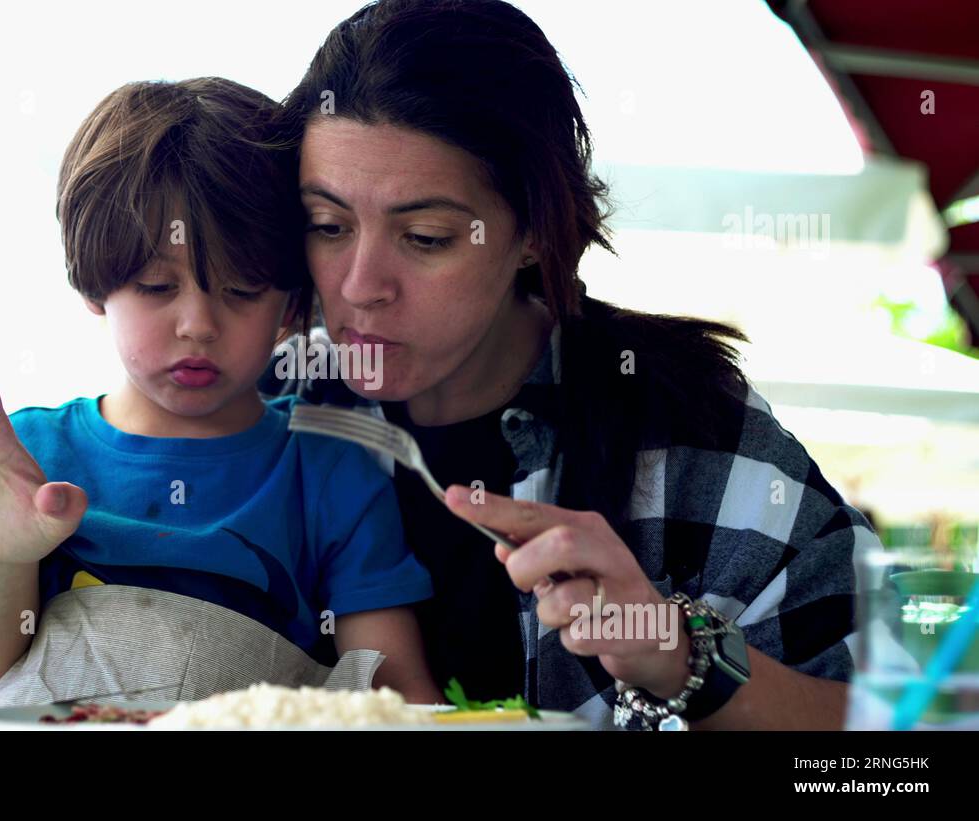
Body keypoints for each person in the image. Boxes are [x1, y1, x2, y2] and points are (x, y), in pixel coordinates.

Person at [259, 0, 878, 730]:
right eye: (327, 226)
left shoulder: (691, 430)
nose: (360, 285)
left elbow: (909, 737)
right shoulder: (258, 405)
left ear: (534, 233)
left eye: (425, 237)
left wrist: (681, 655)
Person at [0, 77, 440, 706]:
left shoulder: (330, 467)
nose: (197, 325)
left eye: (242, 291)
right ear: (95, 286)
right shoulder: (12, 456)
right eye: (156, 287)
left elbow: (398, 693)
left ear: (292, 304)